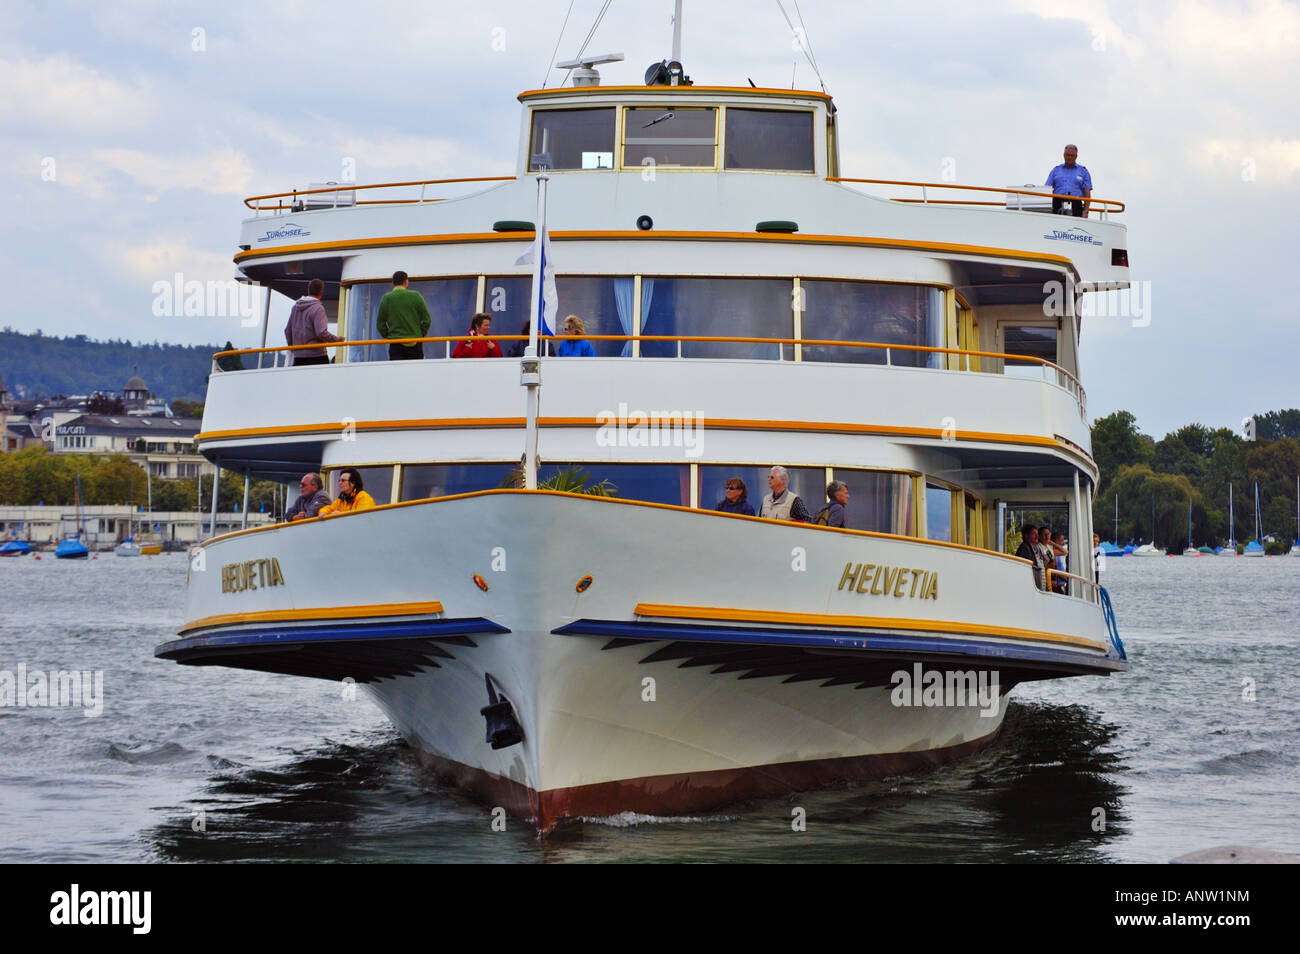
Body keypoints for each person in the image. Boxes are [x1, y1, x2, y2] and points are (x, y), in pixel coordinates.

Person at [284, 278, 342, 367]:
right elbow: (321, 332)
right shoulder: (318, 308)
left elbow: (287, 331)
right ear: (321, 292)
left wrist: (293, 348)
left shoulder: (295, 307)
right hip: (317, 356)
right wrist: (337, 340)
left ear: (308, 290)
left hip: (298, 357)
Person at [376, 271, 431, 360]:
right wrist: (420, 334)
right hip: (415, 344)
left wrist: (389, 335)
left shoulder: (386, 298)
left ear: (393, 283)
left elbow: (380, 324)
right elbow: (427, 320)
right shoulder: (416, 296)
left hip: (396, 344)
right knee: (415, 372)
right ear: (406, 282)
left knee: (397, 372)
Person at [1045, 144, 1092, 217]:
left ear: (1076, 156)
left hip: (1076, 204)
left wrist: (1086, 211)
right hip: (1057, 203)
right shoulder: (1056, 170)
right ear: (1064, 155)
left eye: (1072, 155)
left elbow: (1087, 193)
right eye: (1068, 155)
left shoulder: (1083, 171)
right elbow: (1047, 189)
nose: (1070, 157)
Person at [1016, 526, 1045, 590]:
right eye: (1033, 534)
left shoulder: (1036, 548)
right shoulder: (1024, 548)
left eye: (1037, 534)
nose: (1037, 536)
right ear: (1026, 535)